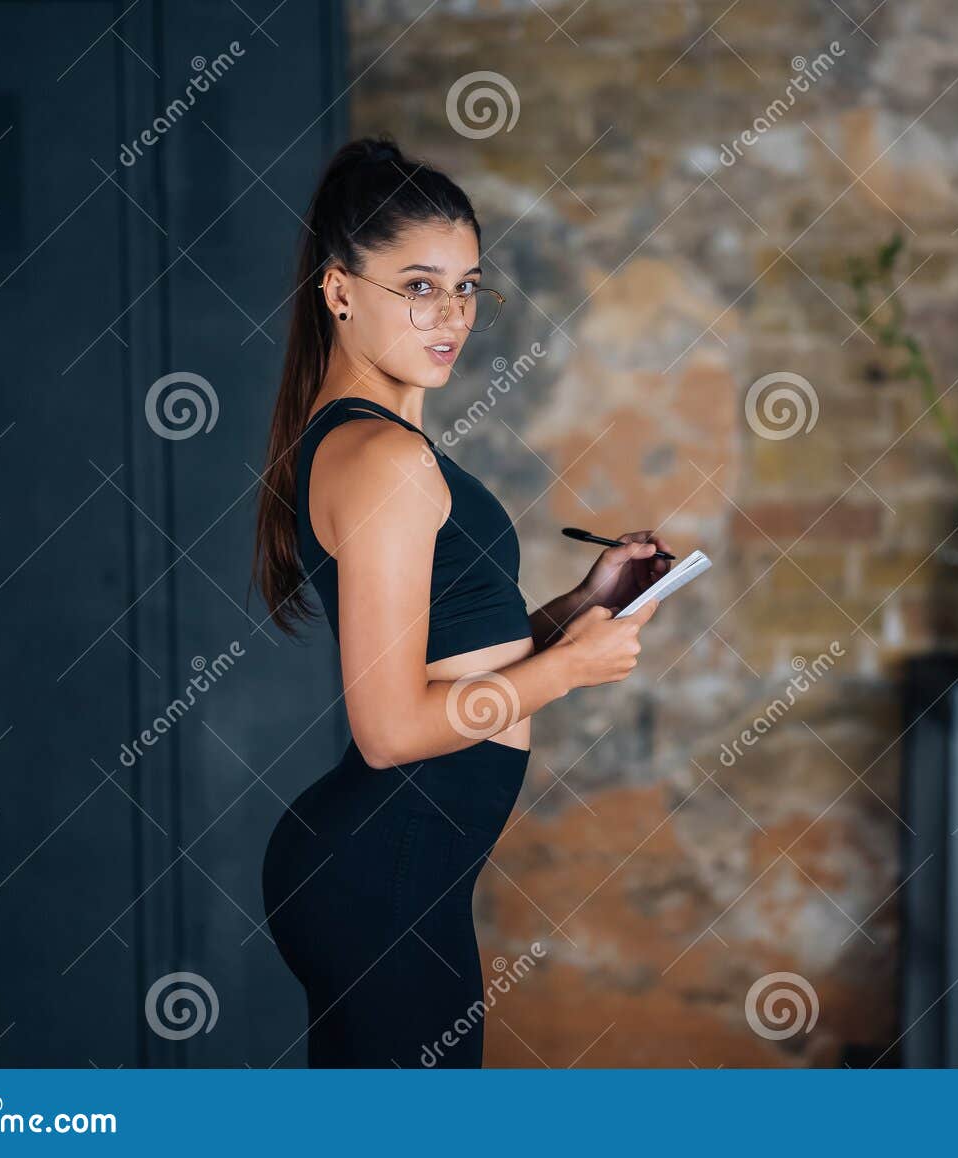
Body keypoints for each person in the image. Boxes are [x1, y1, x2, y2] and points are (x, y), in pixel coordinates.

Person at [251, 135, 669, 1067]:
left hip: (396, 874)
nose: (452, 314)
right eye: (419, 285)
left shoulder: (373, 447)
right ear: (340, 289)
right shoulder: (385, 460)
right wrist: (564, 671)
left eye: (468, 285)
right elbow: (391, 730)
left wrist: (574, 609)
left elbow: (447, 655)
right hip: (384, 876)